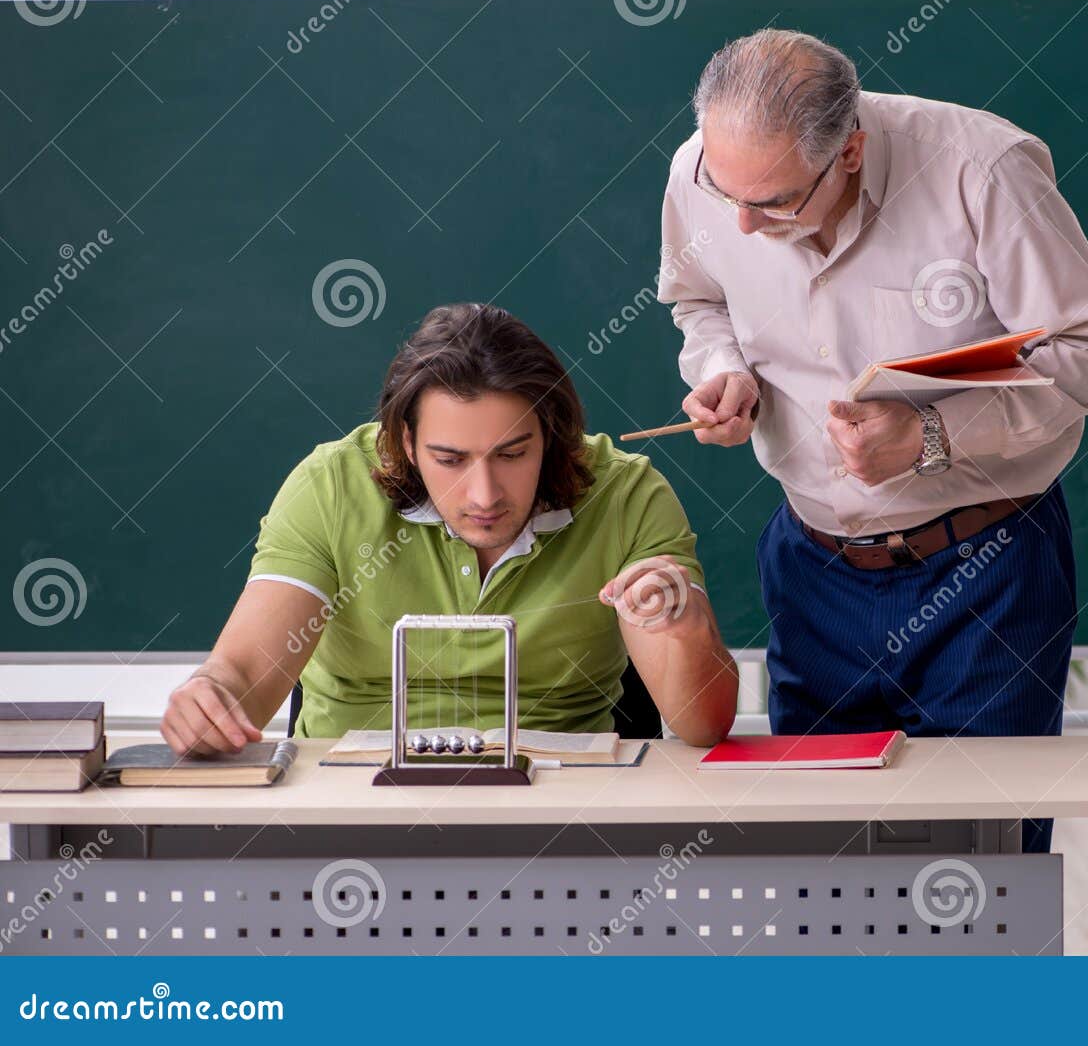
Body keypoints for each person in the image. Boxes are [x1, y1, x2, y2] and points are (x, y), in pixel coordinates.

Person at [657, 30, 1088, 851]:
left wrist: (931, 435)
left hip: (986, 571)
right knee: (821, 858)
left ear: (848, 152)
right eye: (723, 192)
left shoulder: (981, 169)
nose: (739, 222)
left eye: (772, 203)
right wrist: (724, 368)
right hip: (812, 569)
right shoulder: (706, 169)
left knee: (986, 857)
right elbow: (697, 299)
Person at [160, 303, 737, 755]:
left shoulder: (626, 494)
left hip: (560, 805)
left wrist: (683, 624)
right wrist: (210, 695)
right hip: (350, 800)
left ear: (552, 437)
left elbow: (704, 728)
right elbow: (242, 676)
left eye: (512, 454)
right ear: (405, 443)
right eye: (450, 460)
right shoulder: (331, 486)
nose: (484, 496)